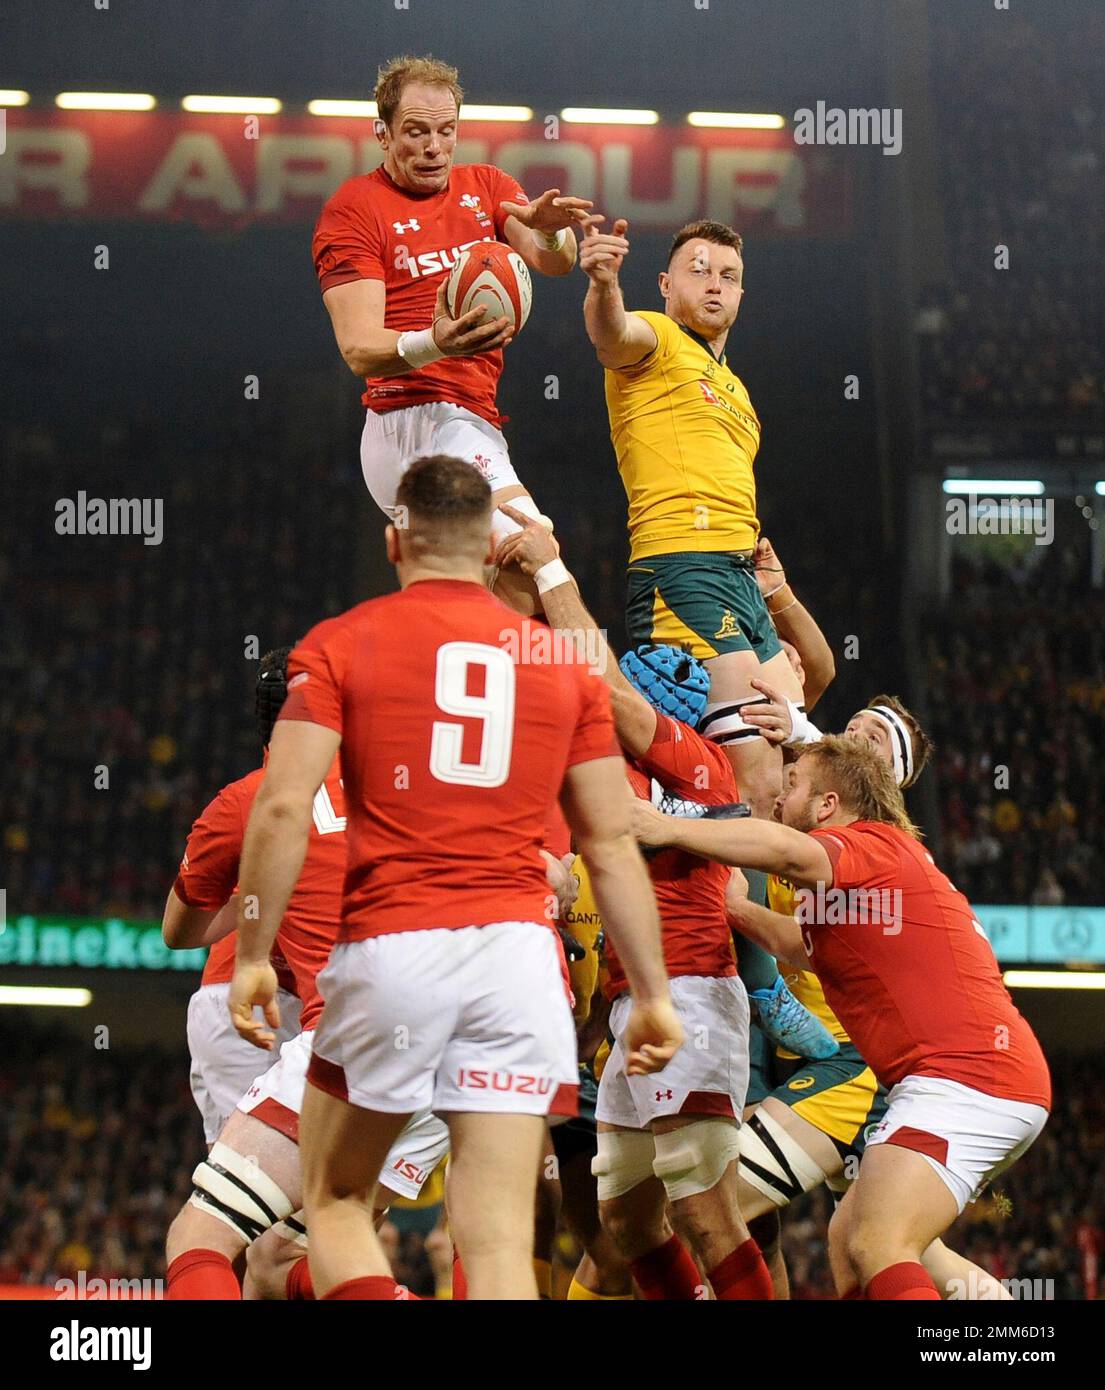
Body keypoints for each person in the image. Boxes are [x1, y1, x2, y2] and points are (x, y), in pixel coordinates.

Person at [232, 455, 681, 1300]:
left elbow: (284, 808)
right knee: (503, 1246)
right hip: (518, 964)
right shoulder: (557, 662)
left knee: (334, 1202)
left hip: (395, 947)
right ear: (487, 549)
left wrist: (255, 952)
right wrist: (652, 990)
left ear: (394, 539)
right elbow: (612, 842)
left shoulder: (339, 643)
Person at [631, 736, 1051, 1300]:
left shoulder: (871, 845)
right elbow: (801, 946)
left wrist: (670, 828)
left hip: (966, 1079)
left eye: (795, 784)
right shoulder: (867, 886)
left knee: (878, 1243)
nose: (779, 797)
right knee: (852, 1238)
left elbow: (786, 853)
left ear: (829, 805)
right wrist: (736, 908)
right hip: (969, 1079)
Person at [496, 508, 776, 1299]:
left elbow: (601, 684)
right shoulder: (605, 769)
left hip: (689, 995)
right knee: (626, 1222)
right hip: (634, 1010)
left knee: (706, 1216)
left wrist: (552, 573)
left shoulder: (696, 762)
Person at [162, 649, 449, 1300]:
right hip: (462, 1040)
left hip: (349, 1033)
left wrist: (266, 883)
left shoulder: (250, 801)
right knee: (325, 1245)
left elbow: (179, 932)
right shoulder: (422, 789)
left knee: (204, 1238)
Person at [313, 53, 591, 613]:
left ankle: (453, 690)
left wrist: (554, 234)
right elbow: (359, 349)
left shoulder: (485, 186)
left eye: (446, 131)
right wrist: (436, 342)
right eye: (416, 132)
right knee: (539, 559)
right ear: (383, 134)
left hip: (468, 422)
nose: (434, 146)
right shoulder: (354, 209)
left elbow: (551, 260)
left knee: (489, 592)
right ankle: (599, 702)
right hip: (408, 419)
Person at [577, 214, 805, 817]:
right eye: (698, 271)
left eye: (728, 276)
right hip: (682, 568)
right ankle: (710, 903)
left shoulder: (738, 391)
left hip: (739, 579)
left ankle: (767, 902)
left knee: (793, 770)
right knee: (751, 778)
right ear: (664, 284)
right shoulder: (655, 338)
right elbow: (610, 335)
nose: (714, 284)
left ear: (741, 294)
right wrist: (603, 283)